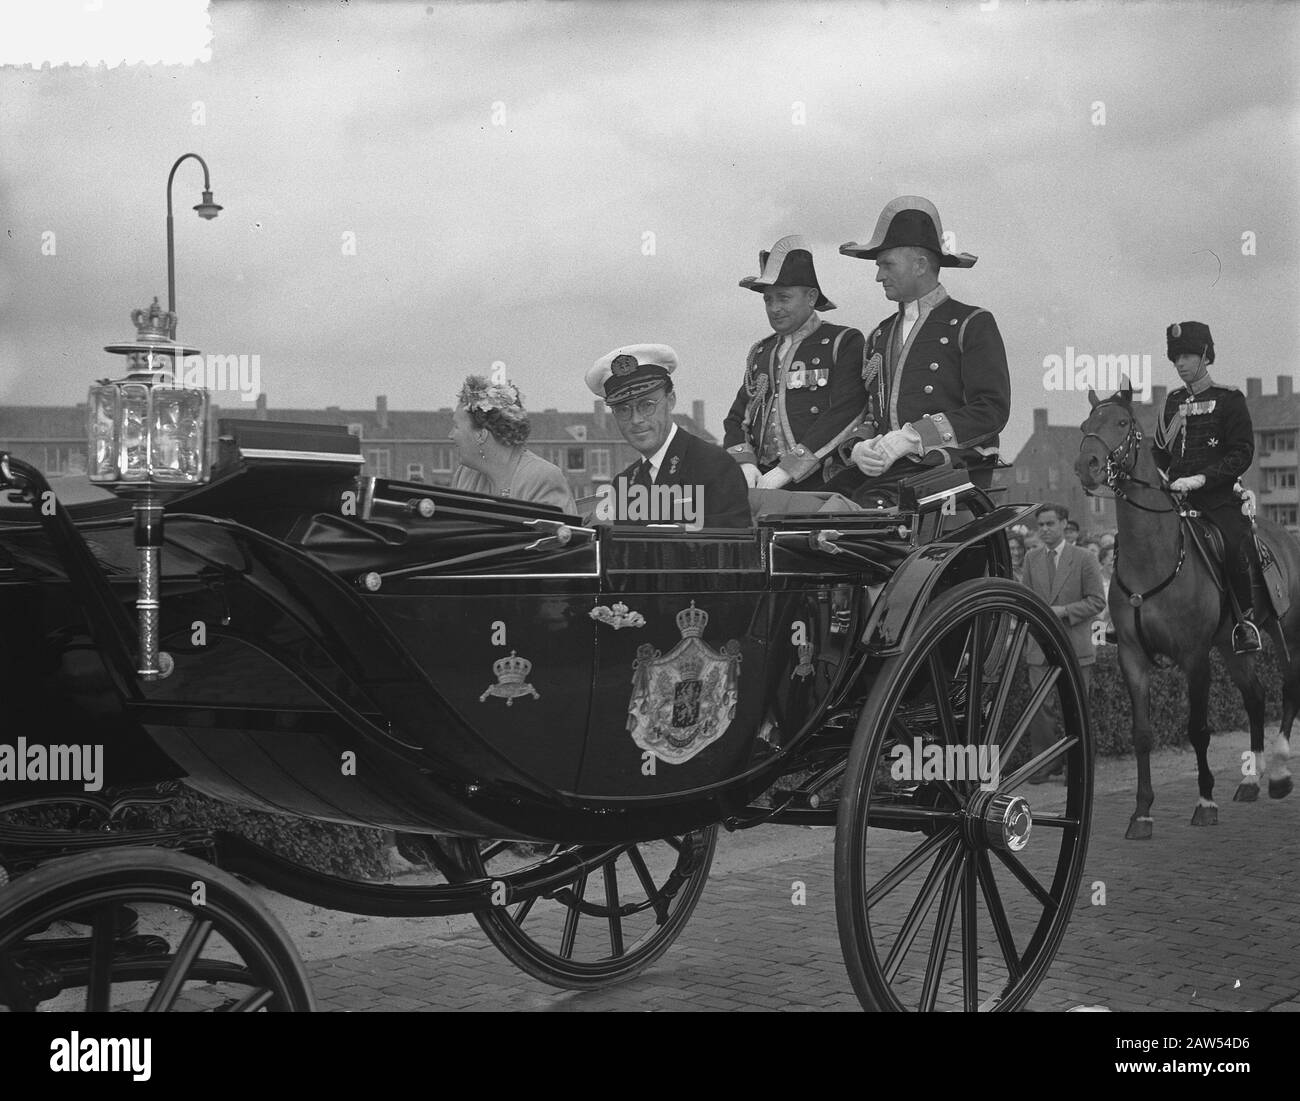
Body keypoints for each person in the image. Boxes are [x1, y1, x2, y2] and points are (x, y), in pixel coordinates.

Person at [837, 196, 1010, 492]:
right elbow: (870, 412)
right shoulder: (880, 334)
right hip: (885, 475)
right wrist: (859, 447)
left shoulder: (971, 323)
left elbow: (991, 410)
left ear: (919, 265)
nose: (879, 276)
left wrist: (913, 436)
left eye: (887, 265)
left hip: (948, 471)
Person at [723, 236, 867, 491]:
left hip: (823, 480)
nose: (774, 308)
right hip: (763, 478)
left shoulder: (842, 342)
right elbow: (737, 418)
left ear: (811, 297)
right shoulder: (761, 352)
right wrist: (745, 462)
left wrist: (789, 468)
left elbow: (847, 411)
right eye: (768, 300)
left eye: (783, 297)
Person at [1152, 321, 1259, 653]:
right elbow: (1158, 451)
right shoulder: (1171, 402)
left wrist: (1200, 479)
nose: (1179, 364)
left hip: (1216, 498)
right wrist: (1164, 479)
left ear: (1204, 355)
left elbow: (1242, 452)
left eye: (1185, 356)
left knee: (1233, 543)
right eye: (1174, 358)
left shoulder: (1229, 399)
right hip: (1175, 499)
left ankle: (1245, 622)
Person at [587, 343, 751, 528]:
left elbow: (734, 548)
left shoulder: (714, 466)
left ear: (670, 400)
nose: (636, 419)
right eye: (623, 409)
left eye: (647, 405)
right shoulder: (624, 483)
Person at [1022, 503, 1106, 782]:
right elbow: (1028, 600)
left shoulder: (1084, 558)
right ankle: (1045, 762)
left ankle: (1077, 764)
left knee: (1075, 706)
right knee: (1040, 707)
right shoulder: (1031, 559)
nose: (1044, 530)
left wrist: (1065, 611)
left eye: (1050, 524)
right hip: (1040, 646)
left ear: (1064, 525)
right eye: (1040, 525)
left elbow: (1097, 601)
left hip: (1075, 646)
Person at [449, 374, 576, 514]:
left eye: (456, 427)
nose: (450, 436)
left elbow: (557, 534)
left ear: (481, 435)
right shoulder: (466, 474)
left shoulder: (542, 478)